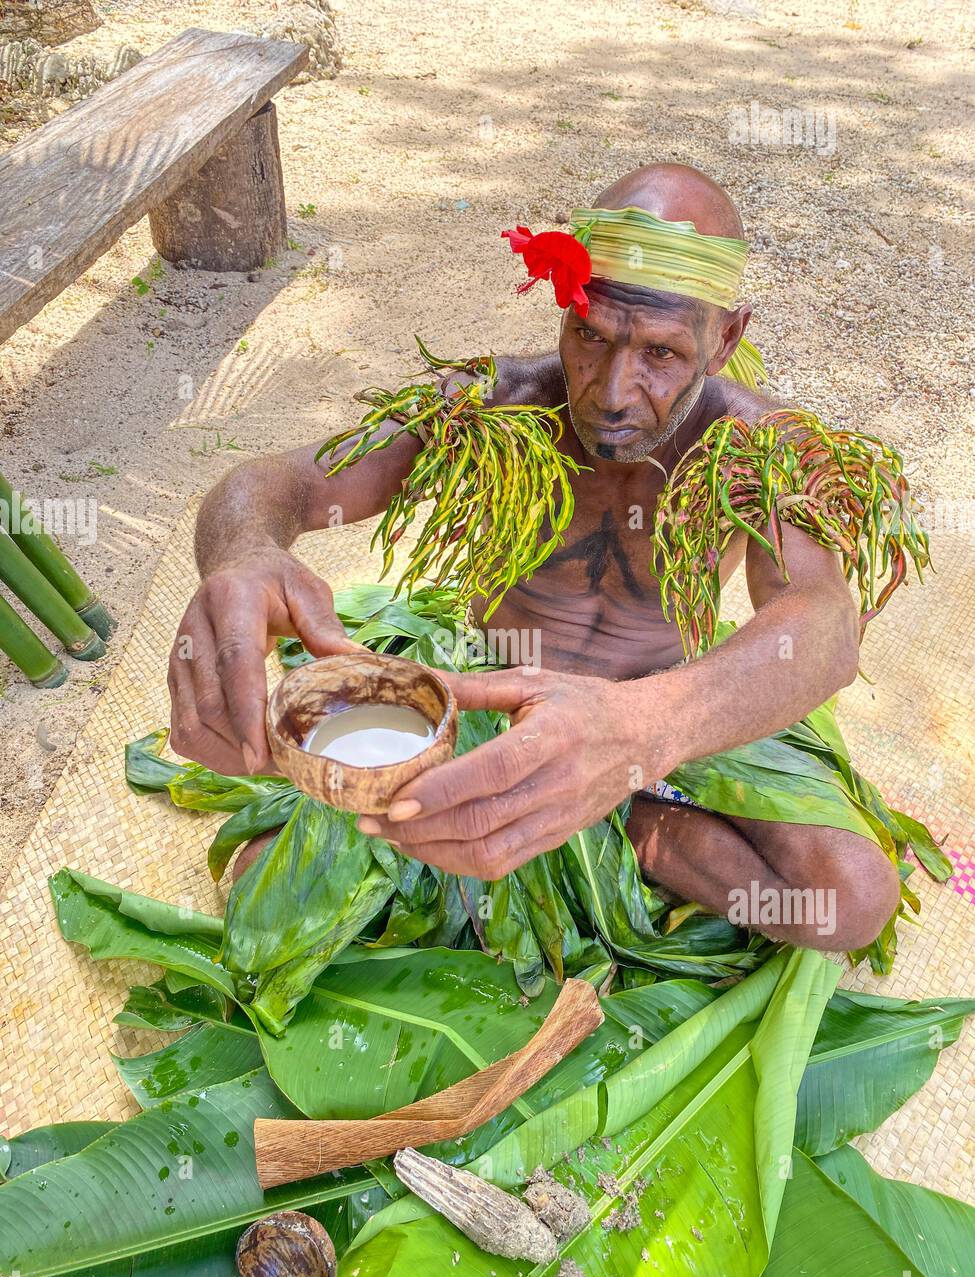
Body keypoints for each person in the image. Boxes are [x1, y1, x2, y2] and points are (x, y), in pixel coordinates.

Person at [168, 162, 910, 953]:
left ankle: (626, 814)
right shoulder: (494, 406)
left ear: (724, 338)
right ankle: (535, 807)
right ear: (563, 308)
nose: (612, 391)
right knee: (251, 847)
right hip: (480, 689)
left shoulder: (755, 450)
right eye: (590, 335)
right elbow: (280, 482)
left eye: (660, 353)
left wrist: (634, 734)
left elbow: (822, 624)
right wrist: (244, 554)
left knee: (846, 902)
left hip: (664, 716)